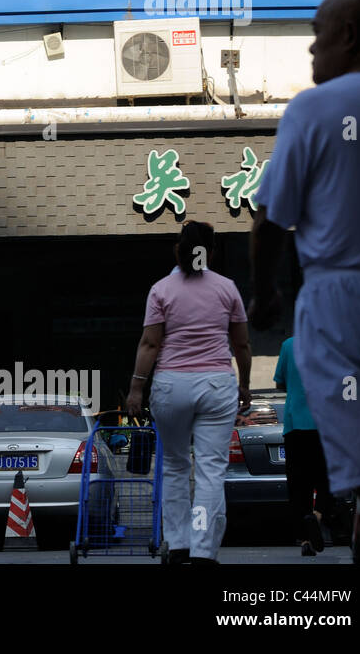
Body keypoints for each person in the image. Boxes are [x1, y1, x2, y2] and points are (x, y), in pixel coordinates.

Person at [249, 0, 360, 564]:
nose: (311, 52)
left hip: (345, 310)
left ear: (351, 36)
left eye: (317, 37)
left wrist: (266, 295)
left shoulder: (316, 109)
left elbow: (268, 222)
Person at [127, 221, 252, 565]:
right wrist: (244, 385)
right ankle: (202, 550)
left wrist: (136, 388)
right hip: (215, 385)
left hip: (171, 387)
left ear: (177, 250)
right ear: (211, 252)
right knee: (212, 470)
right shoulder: (227, 288)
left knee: (175, 464)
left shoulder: (161, 289)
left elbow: (150, 343)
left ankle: (178, 543)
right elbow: (241, 344)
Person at [273, 335, 339, 556]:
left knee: (298, 483)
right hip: (326, 422)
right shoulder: (334, 343)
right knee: (327, 478)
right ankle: (318, 516)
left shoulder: (288, 345)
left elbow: (279, 381)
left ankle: (304, 540)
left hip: (295, 423)